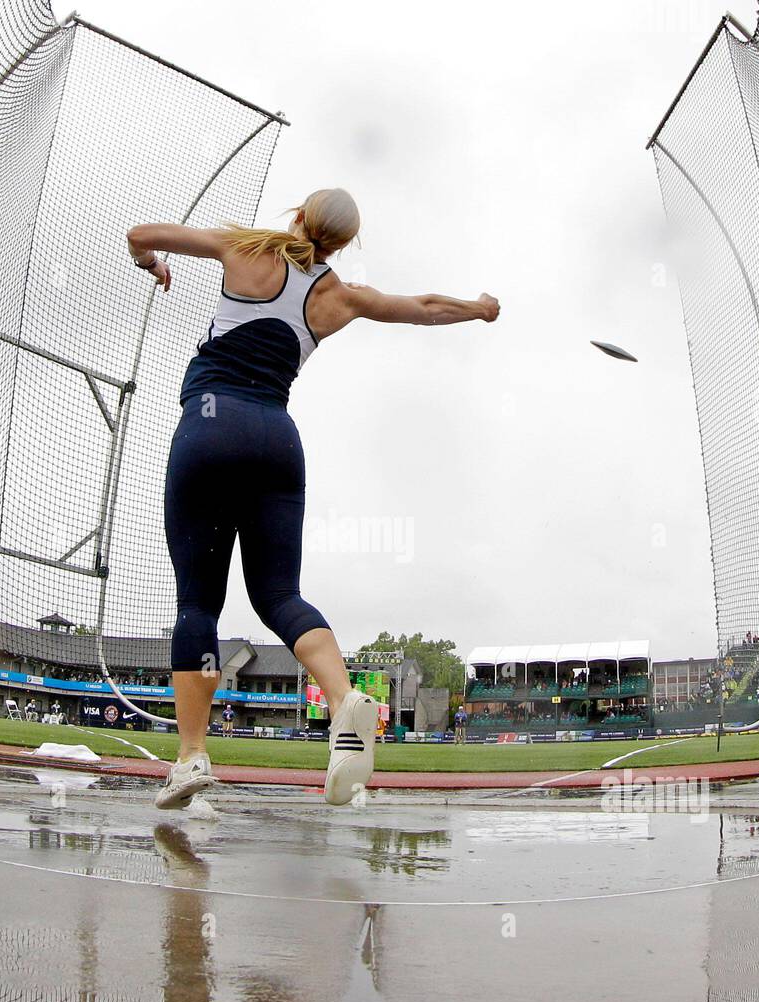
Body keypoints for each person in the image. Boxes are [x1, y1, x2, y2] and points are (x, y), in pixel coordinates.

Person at [129, 189, 499, 809]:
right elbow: (425, 307)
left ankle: (192, 756)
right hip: (277, 436)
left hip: (211, 424)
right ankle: (345, 698)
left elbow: (142, 233)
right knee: (279, 595)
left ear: (298, 215)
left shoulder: (239, 247)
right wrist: (479, 307)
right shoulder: (341, 297)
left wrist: (154, 265)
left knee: (199, 601)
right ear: (343, 243)